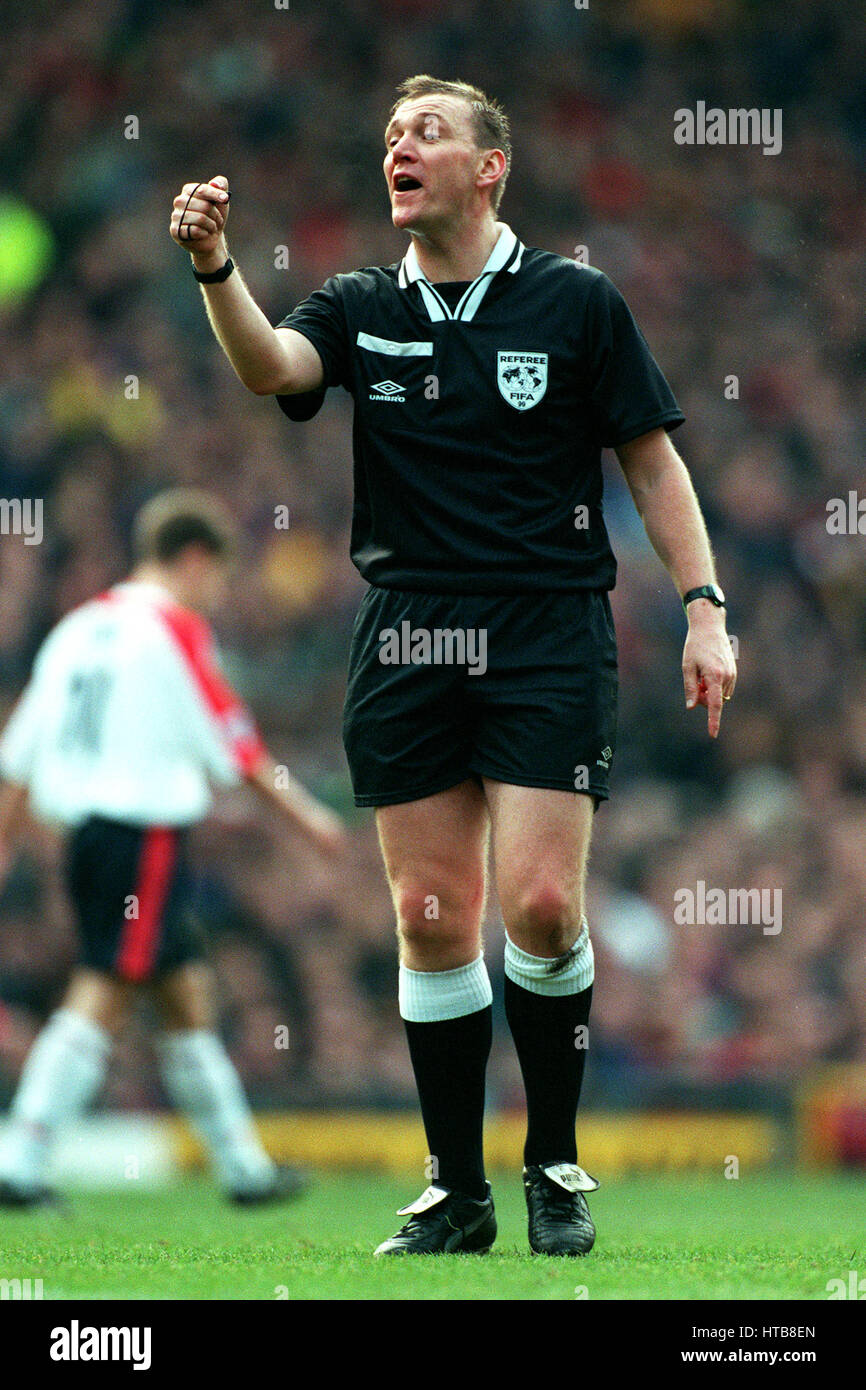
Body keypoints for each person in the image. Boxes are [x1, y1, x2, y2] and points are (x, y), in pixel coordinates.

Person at [169, 74, 736, 1256]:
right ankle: (454, 1189)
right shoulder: (361, 302)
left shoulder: (575, 301)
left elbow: (651, 464)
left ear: (490, 167)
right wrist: (218, 269)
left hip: (544, 628)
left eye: (427, 132)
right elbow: (273, 369)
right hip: (409, 629)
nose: (399, 148)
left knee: (538, 906)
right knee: (431, 921)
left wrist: (702, 609)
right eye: (388, 136)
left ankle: (554, 1164)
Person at [0, 488, 345, 1208]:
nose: (216, 594)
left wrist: (4, 844)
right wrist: (309, 818)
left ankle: (244, 1170)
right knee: (105, 986)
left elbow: (17, 757)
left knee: (185, 992)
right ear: (194, 559)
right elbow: (239, 744)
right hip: (142, 832)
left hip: (87, 834)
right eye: (218, 576)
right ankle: (20, 1158)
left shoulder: (77, 630)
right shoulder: (172, 629)